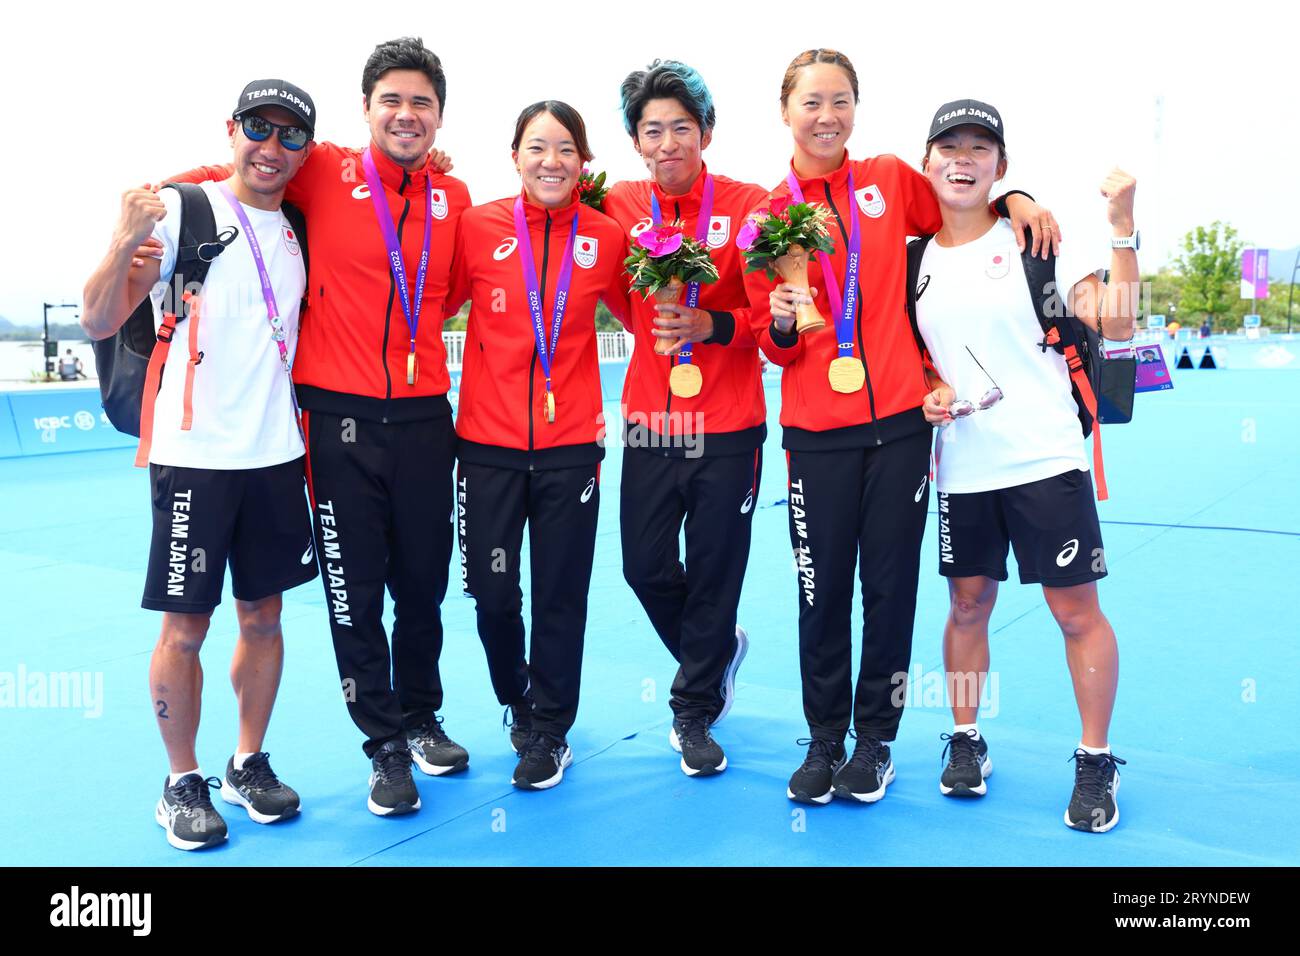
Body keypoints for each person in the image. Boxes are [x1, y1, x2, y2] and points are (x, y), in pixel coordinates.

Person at [163, 39, 472, 817]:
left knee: (425, 587)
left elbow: (457, 293)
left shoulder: (455, 195)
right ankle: (383, 747)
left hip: (428, 416)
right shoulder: (325, 166)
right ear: (366, 109)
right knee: (353, 592)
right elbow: (237, 171)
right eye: (391, 101)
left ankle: (422, 715)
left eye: (422, 103)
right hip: (337, 420)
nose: (407, 115)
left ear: (439, 114)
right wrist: (161, 192)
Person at [745, 50, 1060, 806]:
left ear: (857, 108)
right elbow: (768, 337)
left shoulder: (887, 180)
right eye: (813, 102)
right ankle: (824, 740)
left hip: (898, 428)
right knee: (820, 593)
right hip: (816, 431)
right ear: (785, 110)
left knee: (889, 589)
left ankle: (875, 743)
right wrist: (783, 325)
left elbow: (965, 198)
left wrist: (1016, 196)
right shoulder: (766, 215)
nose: (828, 117)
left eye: (842, 101)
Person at [81, 78, 319, 850]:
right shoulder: (187, 210)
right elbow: (97, 317)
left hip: (277, 456)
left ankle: (246, 762)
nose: (272, 147)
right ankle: (180, 783)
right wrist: (122, 236)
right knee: (186, 629)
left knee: (266, 617)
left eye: (291, 136)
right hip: (193, 460)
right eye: (259, 127)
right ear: (232, 129)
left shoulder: (300, 229)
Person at [913, 99, 1137, 832]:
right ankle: (967, 739)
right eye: (950, 146)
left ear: (1000, 168)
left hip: (1045, 459)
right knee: (967, 606)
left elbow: (1120, 319)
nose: (963, 159)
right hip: (964, 469)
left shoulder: (1036, 239)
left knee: (1075, 612)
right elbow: (914, 360)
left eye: (980, 148)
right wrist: (933, 393)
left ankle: (1096, 759)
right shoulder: (914, 259)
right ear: (928, 163)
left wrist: (1122, 228)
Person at [444, 101, 629, 790]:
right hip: (486, 448)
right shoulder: (474, 227)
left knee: (559, 595)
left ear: (582, 161)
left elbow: (653, 313)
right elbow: (431, 298)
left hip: (570, 449)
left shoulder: (607, 237)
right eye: (536, 148)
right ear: (515, 155)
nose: (551, 161)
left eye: (564, 149)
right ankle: (516, 700)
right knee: (493, 595)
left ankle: (550, 729)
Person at [601, 60, 768, 778]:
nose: (667, 142)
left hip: (729, 421)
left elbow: (769, 318)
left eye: (680, 128)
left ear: (705, 133)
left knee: (714, 570)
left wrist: (714, 321)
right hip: (648, 418)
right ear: (635, 141)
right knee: (643, 565)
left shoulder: (752, 203)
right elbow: (542, 198)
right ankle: (717, 650)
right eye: (651, 130)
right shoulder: (615, 204)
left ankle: (693, 709)